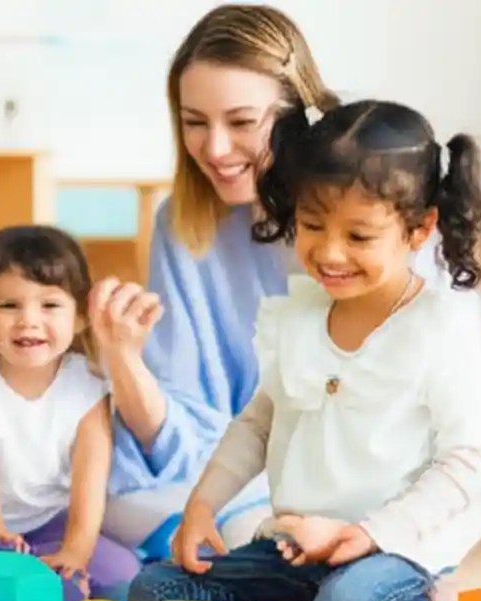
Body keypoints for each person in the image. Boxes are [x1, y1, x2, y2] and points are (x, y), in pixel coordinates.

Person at [125, 97, 481, 601]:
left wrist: (370, 535)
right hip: (296, 545)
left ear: (420, 228)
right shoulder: (299, 312)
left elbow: (466, 462)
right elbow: (258, 421)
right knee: (155, 591)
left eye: (359, 237)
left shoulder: (442, 326)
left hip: (395, 547)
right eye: (311, 225)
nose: (329, 253)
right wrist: (202, 504)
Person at [91, 4, 355, 560]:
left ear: (300, 113)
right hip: (230, 475)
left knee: (247, 540)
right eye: (194, 122)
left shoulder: (363, 217)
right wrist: (124, 362)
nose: (213, 148)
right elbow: (181, 431)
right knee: (83, 495)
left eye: (240, 123)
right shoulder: (182, 225)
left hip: (348, 479)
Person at [0, 226, 141, 601]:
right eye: (9, 306)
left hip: (49, 526)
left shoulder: (89, 384)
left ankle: (43, 581)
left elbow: (90, 480)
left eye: (50, 305)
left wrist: (75, 553)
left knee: (124, 574)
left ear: (80, 317)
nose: (29, 320)